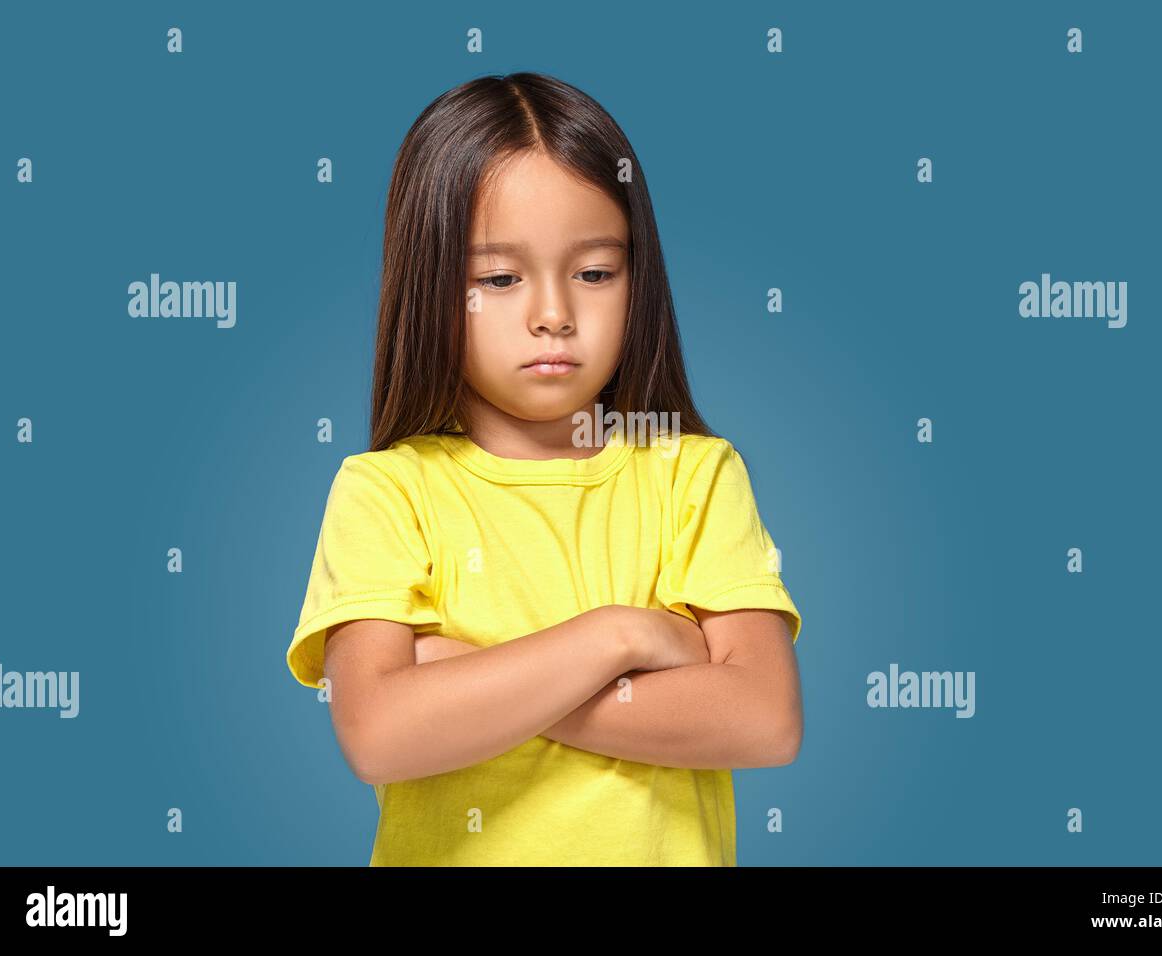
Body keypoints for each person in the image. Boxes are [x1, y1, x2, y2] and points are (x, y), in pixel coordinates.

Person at [286, 72, 804, 866]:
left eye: (595, 272)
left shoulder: (693, 477)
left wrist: (473, 686)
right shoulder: (387, 492)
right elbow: (380, 736)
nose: (554, 312)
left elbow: (764, 719)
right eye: (499, 278)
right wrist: (620, 636)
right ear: (430, 284)